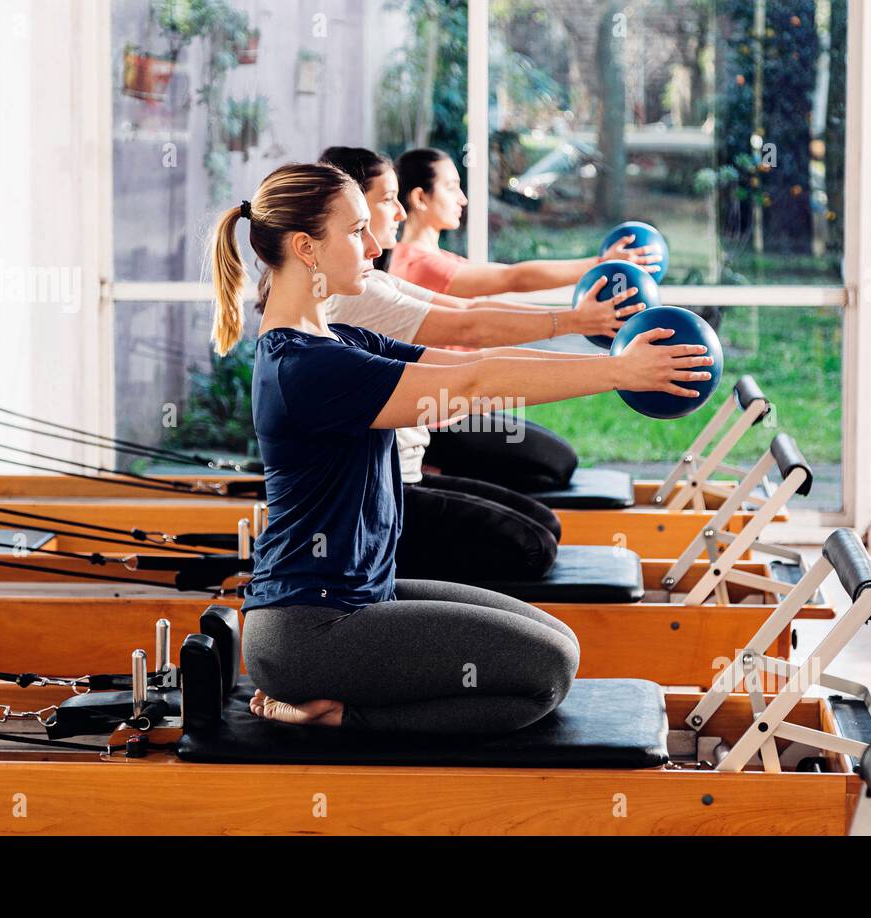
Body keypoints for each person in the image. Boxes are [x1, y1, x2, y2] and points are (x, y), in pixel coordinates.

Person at [208, 162, 711, 735]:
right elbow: (475, 383)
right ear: (306, 248)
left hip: (357, 593)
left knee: (561, 643)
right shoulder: (308, 366)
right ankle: (344, 717)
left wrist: (610, 364)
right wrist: (619, 372)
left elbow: (471, 366)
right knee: (547, 671)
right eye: (355, 231)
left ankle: (337, 704)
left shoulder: (343, 339)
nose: (374, 243)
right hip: (311, 630)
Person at [318, 145, 638, 580]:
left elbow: (472, 319)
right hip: (403, 467)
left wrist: (577, 321)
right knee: (535, 540)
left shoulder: (375, 280)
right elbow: (477, 322)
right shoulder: (366, 289)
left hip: (413, 458)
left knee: (546, 525)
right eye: (385, 200)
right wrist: (584, 323)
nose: (395, 212)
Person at [388, 147, 661, 297]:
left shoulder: (423, 259)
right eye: (451, 188)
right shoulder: (421, 267)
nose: (463, 199)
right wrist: (600, 263)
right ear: (420, 198)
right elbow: (513, 278)